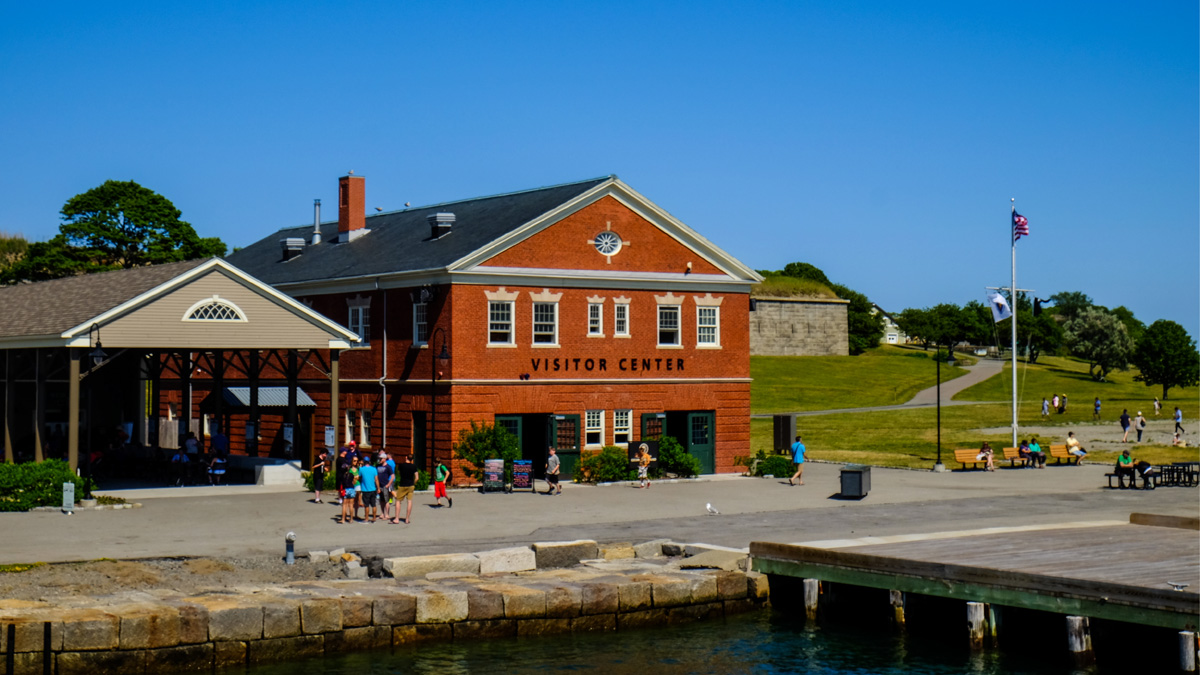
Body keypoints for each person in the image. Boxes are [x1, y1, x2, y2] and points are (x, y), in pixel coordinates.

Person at [392, 454, 419, 523]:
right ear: (412, 460)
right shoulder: (414, 466)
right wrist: (414, 483)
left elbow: (398, 473)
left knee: (398, 501)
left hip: (402, 484)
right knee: (409, 501)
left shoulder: (401, 465)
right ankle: (407, 519)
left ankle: (397, 518)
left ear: (406, 457)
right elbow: (417, 477)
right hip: (410, 485)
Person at [358, 453, 379, 523]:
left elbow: (359, 477)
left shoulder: (361, 469)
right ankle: (374, 518)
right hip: (373, 489)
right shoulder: (374, 469)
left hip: (365, 489)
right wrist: (378, 488)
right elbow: (376, 479)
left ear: (364, 462)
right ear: (369, 462)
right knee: (373, 505)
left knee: (366, 505)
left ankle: (366, 518)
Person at [339, 455, 359, 524]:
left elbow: (342, 483)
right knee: (351, 505)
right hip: (352, 489)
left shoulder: (343, 476)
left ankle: (343, 519)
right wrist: (355, 479)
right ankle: (351, 519)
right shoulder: (351, 475)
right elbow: (354, 482)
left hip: (346, 490)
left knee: (344, 505)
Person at [377, 453, 395, 519]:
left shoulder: (388, 467)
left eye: (381, 458)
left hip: (385, 485)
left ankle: (387, 514)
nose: (380, 460)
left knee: (386, 500)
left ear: (384, 459)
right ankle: (382, 513)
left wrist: (388, 484)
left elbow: (392, 476)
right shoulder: (378, 466)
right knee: (381, 500)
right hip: (380, 485)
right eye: (379, 458)